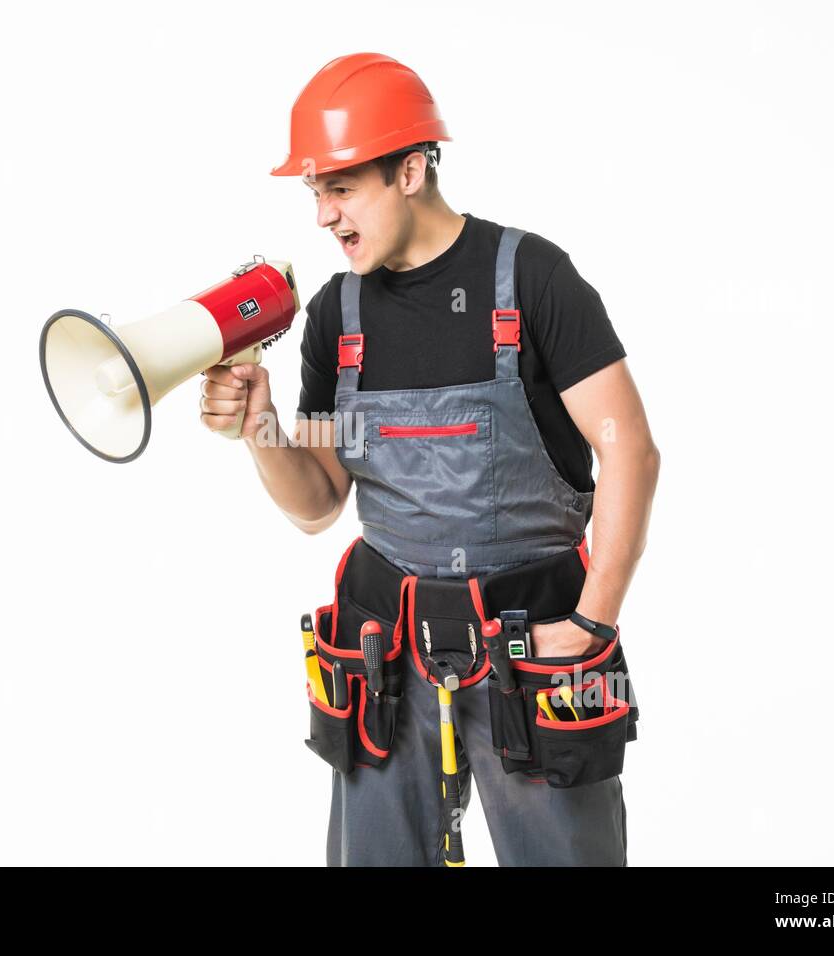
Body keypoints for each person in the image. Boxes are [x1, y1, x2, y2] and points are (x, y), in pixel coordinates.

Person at [200, 52, 660, 866]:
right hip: (384, 654)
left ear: (410, 170)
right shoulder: (335, 316)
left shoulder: (533, 278)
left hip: (538, 642)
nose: (324, 217)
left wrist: (593, 622)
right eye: (314, 193)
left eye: (341, 187)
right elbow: (316, 505)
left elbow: (630, 449)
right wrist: (260, 428)